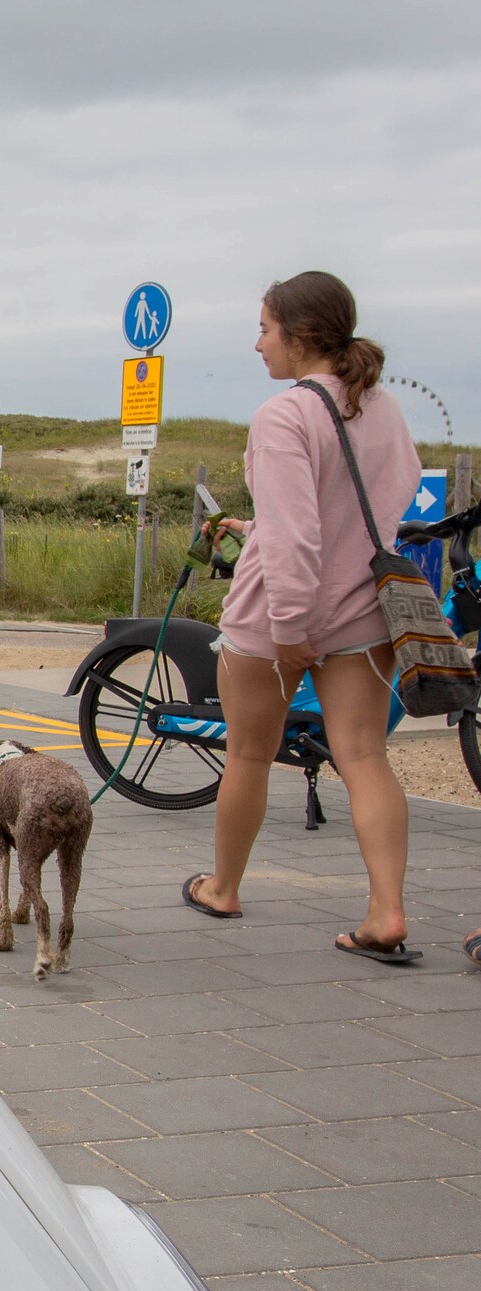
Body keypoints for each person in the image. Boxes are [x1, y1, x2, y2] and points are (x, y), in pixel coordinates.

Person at [181, 272, 422, 963]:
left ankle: (223, 886)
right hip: (364, 617)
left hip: (278, 618)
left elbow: (295, 539)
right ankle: (387, 910)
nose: (258, 344)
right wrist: (262, 525)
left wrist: (289, 629)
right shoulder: (381, 408)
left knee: (250, 754)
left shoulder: (284, 416)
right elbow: (376, 505)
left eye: (264, 328)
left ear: (300, 334)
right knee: (366, 757)